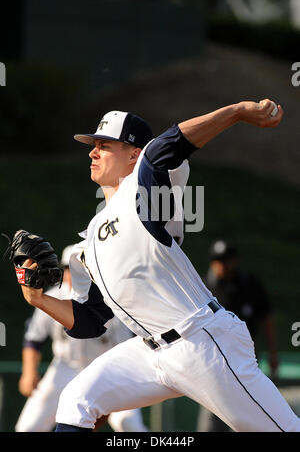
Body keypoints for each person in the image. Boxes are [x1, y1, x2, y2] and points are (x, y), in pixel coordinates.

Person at [18, 100, 300, 432]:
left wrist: (236, 112)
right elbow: (91, 320)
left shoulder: (146, 191)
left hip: (202, 342)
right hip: (151, 352)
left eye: (104, 146)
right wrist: (38, 299)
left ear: (134, 154)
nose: (93, 153)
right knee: (76, 398)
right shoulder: (90, 240)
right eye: (93, 147)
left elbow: (172, 144)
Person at [15, 245, 148, 433]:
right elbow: (34, 339)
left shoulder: (113, 301)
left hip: (106, 370)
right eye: (69, 268)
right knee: (27, 427)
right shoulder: (53, 297)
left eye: (82, 269)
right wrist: (29, 372)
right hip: (63, 369)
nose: (74, 274)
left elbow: (128, 347)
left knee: (130, 425)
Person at [197, 239, 279, 432]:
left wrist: (274, 353)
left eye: (225, 260)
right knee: (214, 413)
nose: (220, 265)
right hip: (214, 360)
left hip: (246, 357)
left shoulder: (249, 284)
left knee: (252, 407)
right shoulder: (204, 287)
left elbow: (266, 318)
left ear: (235, 261)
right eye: (216, 260)